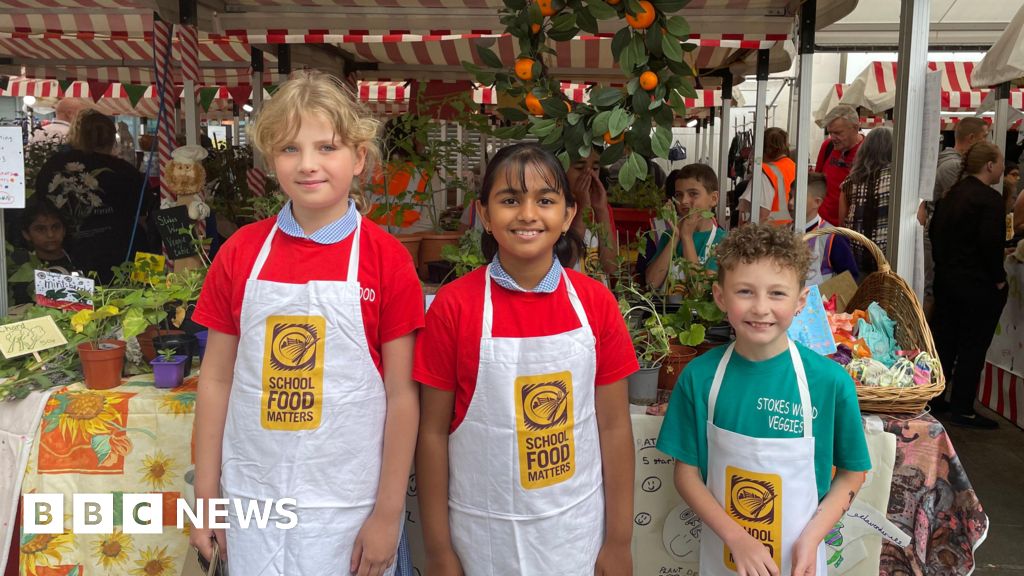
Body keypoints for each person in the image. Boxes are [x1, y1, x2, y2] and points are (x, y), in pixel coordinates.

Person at [190, 70, 423, 575]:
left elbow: (403, 397)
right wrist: (205, 496)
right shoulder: (240, 253)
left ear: (359, 159)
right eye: (290, 149)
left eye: (328, 147)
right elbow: (215, 379)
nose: (308, 164)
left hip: (349, 506)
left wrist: (388, 514)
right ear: (271, 159)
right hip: (254, 498)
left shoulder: (386, 260)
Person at [414, 143, 637, 576]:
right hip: (483, 537)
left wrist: (619, 541)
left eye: (545, 200)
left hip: (575, 533)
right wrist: (439, 550)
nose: (528, 214)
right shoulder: (454, 305)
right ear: (484, 214)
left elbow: (613, 427)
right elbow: (431, 433)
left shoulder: (595, 303)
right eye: (510, 200)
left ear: (569, 215)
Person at [657, 223, 870, 576]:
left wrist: (812, 538)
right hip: (725, 559)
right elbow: (686, 475)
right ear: (720, 296)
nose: (760, 308)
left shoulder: (830, 383)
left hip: (799, 562)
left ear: (801, 301)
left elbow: (852, 474)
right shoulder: (699, 378)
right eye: (744, 291)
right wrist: (736, 538)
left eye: (776, 294)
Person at [929, 141, 1008, 429]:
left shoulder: (952, 195)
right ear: (990, 165)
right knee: (973, 347)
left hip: (947, 281)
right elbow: (990, 244)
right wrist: (999, 278)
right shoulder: (989, 200)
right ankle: (963, 407)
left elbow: (935, 235)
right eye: (1000, 162)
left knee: (945, 341)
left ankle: (936, 397)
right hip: (978, 285)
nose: (1002, 167)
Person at [34, 109, 150, 283]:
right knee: (141, 302)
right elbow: (144, 216)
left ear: (77, 134)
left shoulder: (55, 165)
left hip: (73, 254)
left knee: (77, 308)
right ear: (112, 137)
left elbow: (41, 205)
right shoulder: (125, 171)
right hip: (126, 253)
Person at [919, 117, 989, 317]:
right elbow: (961, 208)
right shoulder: (953, 167)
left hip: (937, 241)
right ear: (971, 138)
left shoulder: (948, 162)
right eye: (984, 137)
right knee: (930, 292)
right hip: (936, 242)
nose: (987, 142)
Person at [644, 164, 728, 290]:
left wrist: (687, 237)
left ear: (714, 199)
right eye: (679, 195)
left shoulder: (723, 241)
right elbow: (651, 283)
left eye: (693, 194)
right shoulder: (669, 236)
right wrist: (675, 237)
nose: (684, 201)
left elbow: (700, 290)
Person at [838, 126, 893, 276]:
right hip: (888, 257)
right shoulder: (898, 179)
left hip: (856, 254)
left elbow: (842, 221)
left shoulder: (850, 181)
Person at [9, 197, 75, 305]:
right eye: (40, 229)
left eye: (55, 227)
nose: (50, 234)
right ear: (26, 234)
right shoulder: (19, 268)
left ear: (64, 230)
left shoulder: (81, 259)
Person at [568, 148, 618, 278]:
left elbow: (611, 267)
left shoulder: (601, 208)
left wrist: (601, 211)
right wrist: (583, 208)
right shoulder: (554, 208)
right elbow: (567, 263)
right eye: (579, 168)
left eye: (595, 168)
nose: (589, 175)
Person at [801, 172, 858, 285]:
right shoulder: (785, 231)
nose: (791, 202)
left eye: (798, 197)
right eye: (790, 196)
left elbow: (850, 280)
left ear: (817, 202)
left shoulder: (833, 237)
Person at [815, 105, 864, 225]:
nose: (833, 138)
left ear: (855, 127)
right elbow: (816, 182)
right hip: (822, 225)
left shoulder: (867, 151)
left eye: (838, 133)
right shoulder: (827, 146)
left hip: (849, 227)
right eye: (830, 132)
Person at [739, 127, 795, 226]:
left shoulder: (764, 173)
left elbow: (759, 215)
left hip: (767, 236)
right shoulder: (794, 168)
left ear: (765, 149)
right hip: (788, 233)